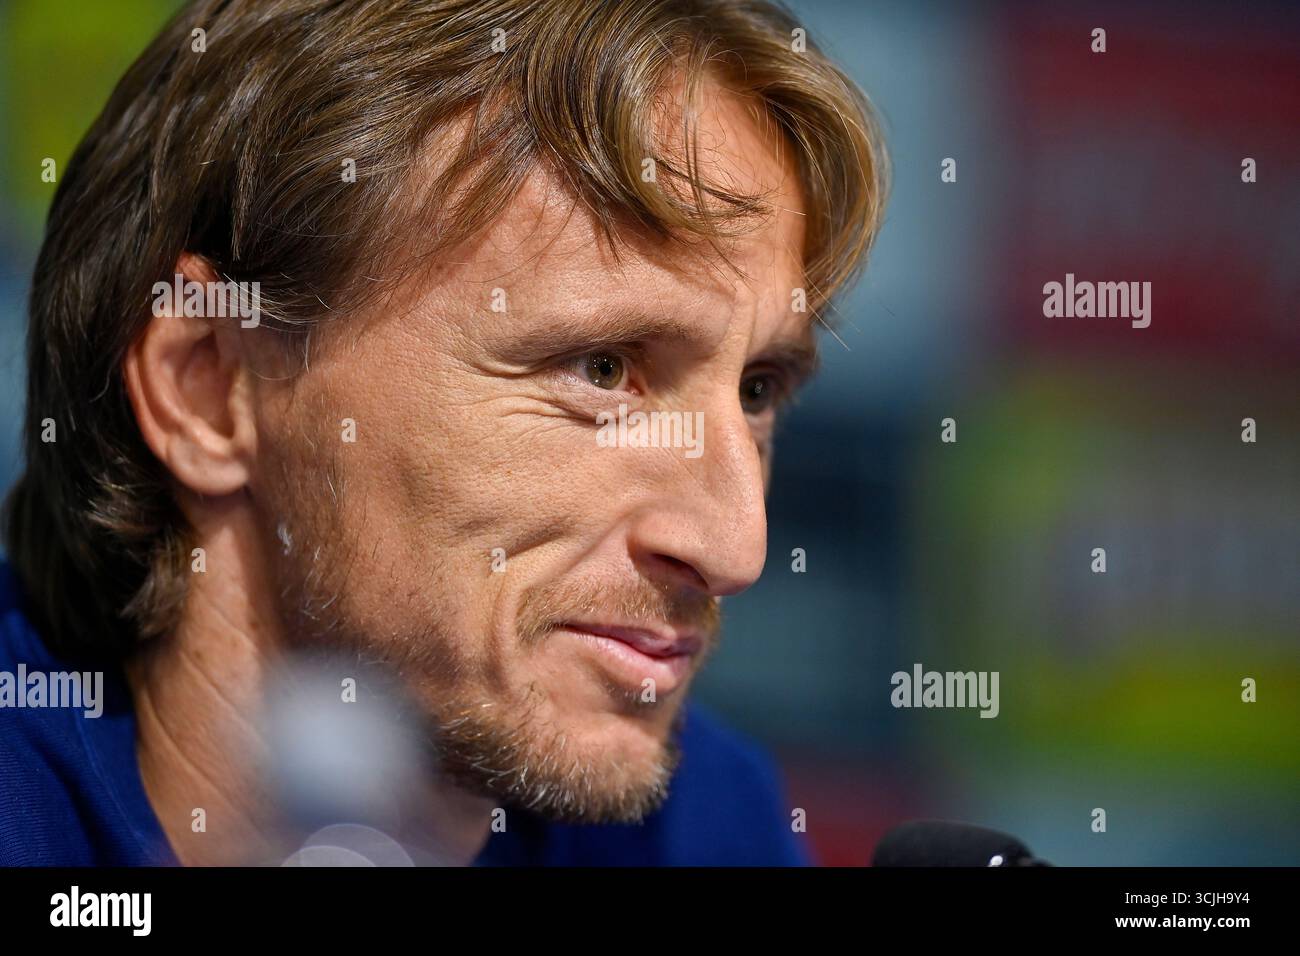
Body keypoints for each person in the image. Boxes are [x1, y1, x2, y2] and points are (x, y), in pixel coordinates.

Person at [0, 0, 886, 865]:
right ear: (209, 387)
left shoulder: (707, 823)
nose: (737, 549)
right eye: (603, 370)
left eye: (759, 389)